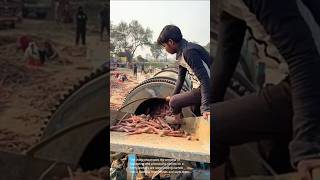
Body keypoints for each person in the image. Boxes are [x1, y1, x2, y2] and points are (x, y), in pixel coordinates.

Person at [212, 0, 320, 180]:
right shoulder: (226, 5)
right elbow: (226, 55)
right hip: (284, 83)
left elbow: (302, 57)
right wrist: (202, 108)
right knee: (273, 155)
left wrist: (308, 148)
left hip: (309, 80)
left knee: (209, 130)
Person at [157, 25, 211, 124]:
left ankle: (177, 120)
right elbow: (180, 79)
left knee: (174, 102)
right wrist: (173, 95)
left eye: (164, 46)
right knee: (193, 110)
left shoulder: (189, 52)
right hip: (199, 88)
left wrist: (206, 108)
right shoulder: (182, 53)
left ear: (171, 42)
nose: (165, 49)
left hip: (207, 86)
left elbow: (205, 79)